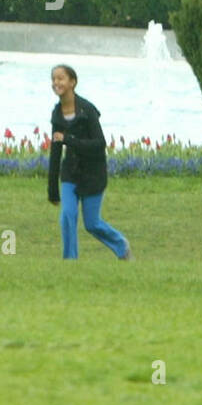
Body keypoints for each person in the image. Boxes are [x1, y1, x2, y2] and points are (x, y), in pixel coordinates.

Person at [47, 65, 129, 260]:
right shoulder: (57, 114)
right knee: (67, 215)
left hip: (93, 173)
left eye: (61, 78)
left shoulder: (87, 110)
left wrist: (69, 139)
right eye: (54, 79)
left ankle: (121, 246)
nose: (56, 82)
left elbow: (99, 144)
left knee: (91, 224)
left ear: (72, 82)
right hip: (71, 173)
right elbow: (56, 152)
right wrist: (52, 189)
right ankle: (70, 261)